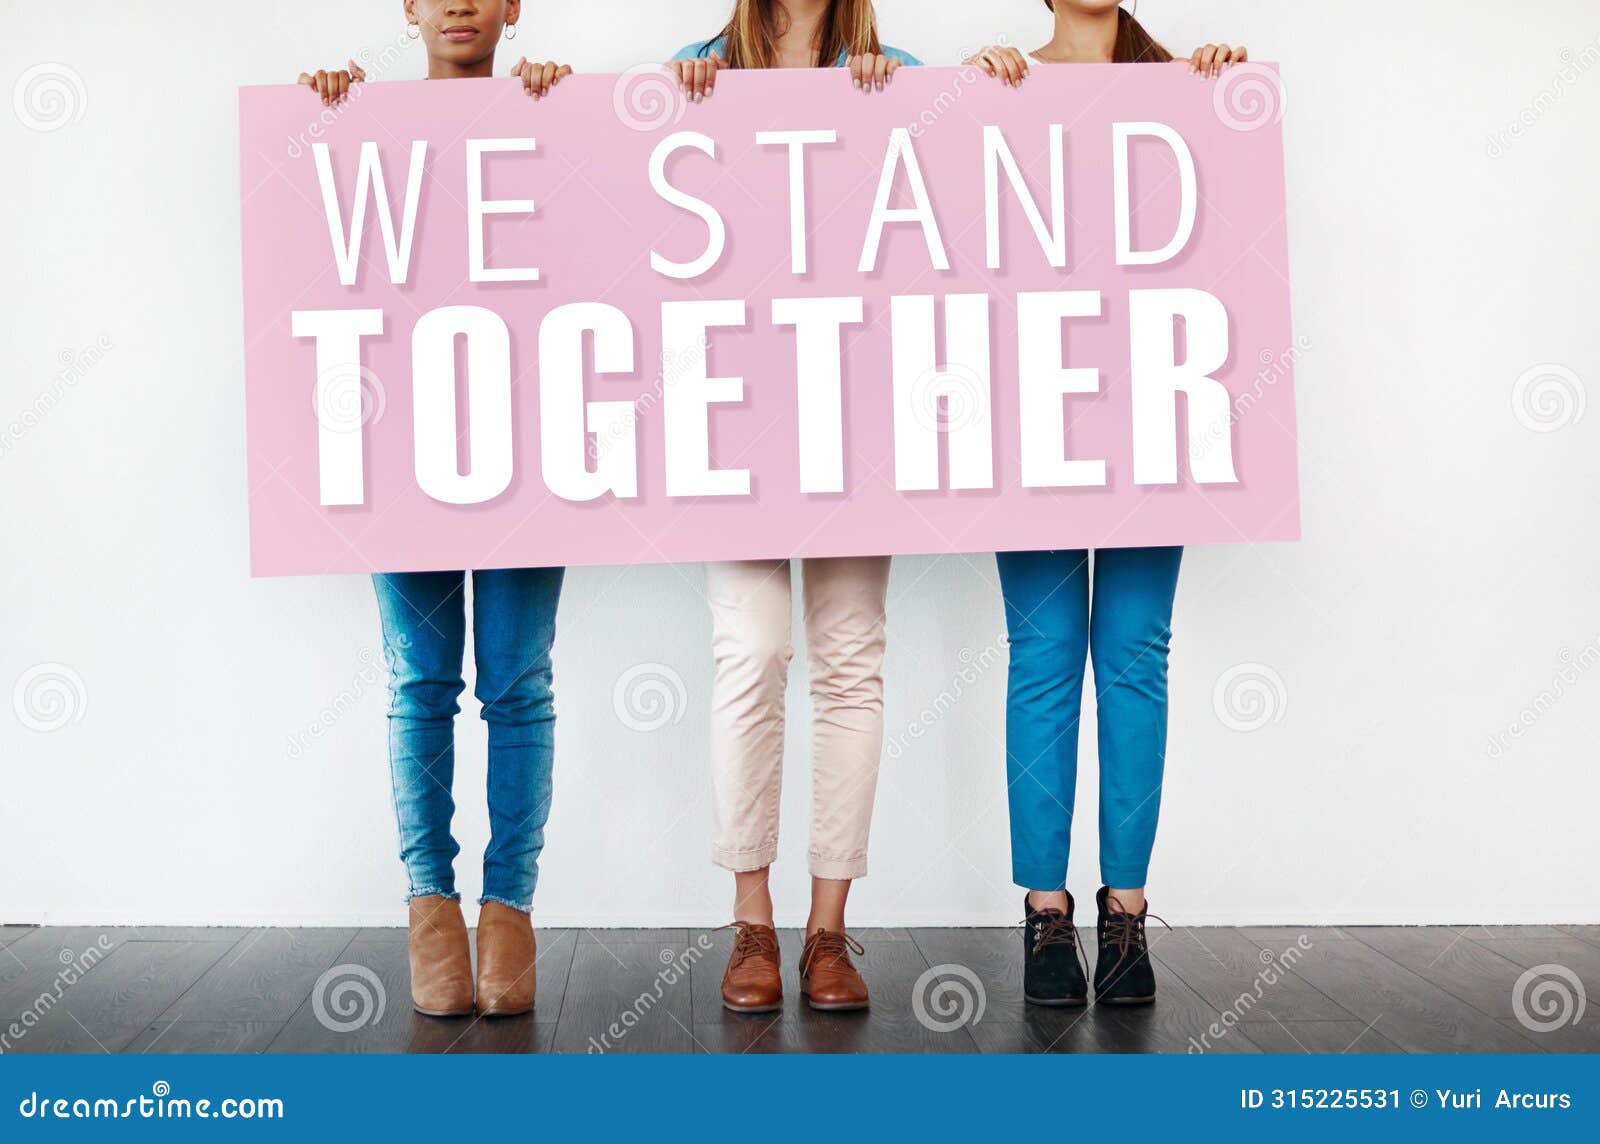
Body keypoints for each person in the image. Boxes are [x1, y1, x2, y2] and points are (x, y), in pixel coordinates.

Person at [966, 1, 1248, 1007]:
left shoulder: (1183, 85)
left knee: (1133, 652)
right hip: (1033, 400)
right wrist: (962, 101)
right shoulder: (999, 83)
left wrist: (1218, 96)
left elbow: (1223, 238)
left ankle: (1123, 908)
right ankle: (1047, 912)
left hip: (1150, 398)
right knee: (1042, 656)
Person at [297, 0, 573, 1019]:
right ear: (407, 8)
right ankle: (429, 909)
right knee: (420, 681)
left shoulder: (553, 117)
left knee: (516, 682)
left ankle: (508, 911)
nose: (459, 1)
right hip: (400, 440)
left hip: (525, 440)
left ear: (513, 8)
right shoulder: (360, 123)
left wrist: (564, 120)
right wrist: (325, 120)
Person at [667, 0, 917, 1014]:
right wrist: (670, 109)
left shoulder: (893, 72)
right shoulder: (696, 69)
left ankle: (827, 929)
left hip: (853, 405)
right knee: (753, 649)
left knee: (850, 653)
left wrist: (930, 105)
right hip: (735, 414)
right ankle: (751, 920)